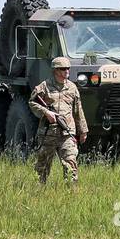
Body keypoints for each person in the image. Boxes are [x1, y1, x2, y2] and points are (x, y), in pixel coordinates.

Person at [29, 57, 88, 187]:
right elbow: (32, 102)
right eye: (63, 69)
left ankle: (71, 192)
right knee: (42, 166)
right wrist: (46, 112)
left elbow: (78, 110)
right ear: (55, 70)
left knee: (70, 161)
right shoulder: (44, 86)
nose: (66, 71)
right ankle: (38, 192)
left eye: (68, 68)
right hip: (48, 133)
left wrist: (83, 130)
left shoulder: (72, 88)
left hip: (67, 133)